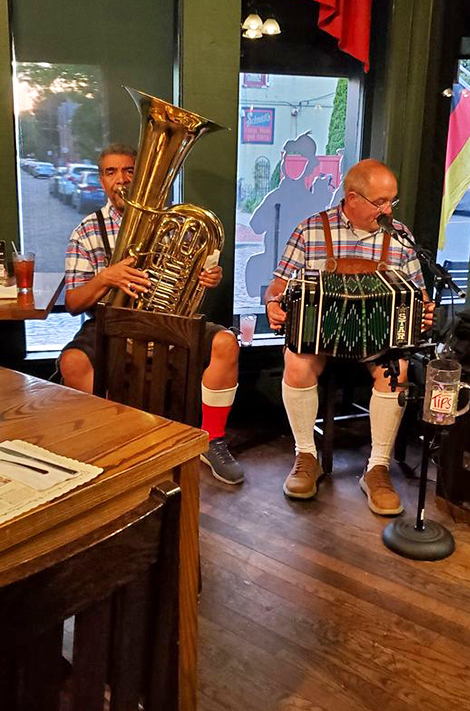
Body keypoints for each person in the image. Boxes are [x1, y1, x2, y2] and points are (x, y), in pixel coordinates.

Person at [60, 142, 244, 485]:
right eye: (111, 172)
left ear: (141, 175)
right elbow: (73, 303)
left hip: (167, 320)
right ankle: (114, 437)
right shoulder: (86, 230)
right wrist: (106, 277)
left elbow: (196, 274)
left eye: (129, 170)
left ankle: (211, 438)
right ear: (101, 180)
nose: (121, 180)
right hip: (111, 322)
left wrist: (206, 276)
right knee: (72, 363)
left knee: (226, 343)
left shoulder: (174, 223)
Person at [265, 158, 435, 514]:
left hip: (378, 340)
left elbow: (418, 295)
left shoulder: (400, 236)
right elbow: (277, 287)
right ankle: (305, 456)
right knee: (295, 362)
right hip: (320, 337)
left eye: (392, 201)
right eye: (381, 202)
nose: (388, 210)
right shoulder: (310, 230)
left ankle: (377, 468)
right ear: (353, 198)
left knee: (398, 371)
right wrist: (273, 305)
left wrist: (422, 312)